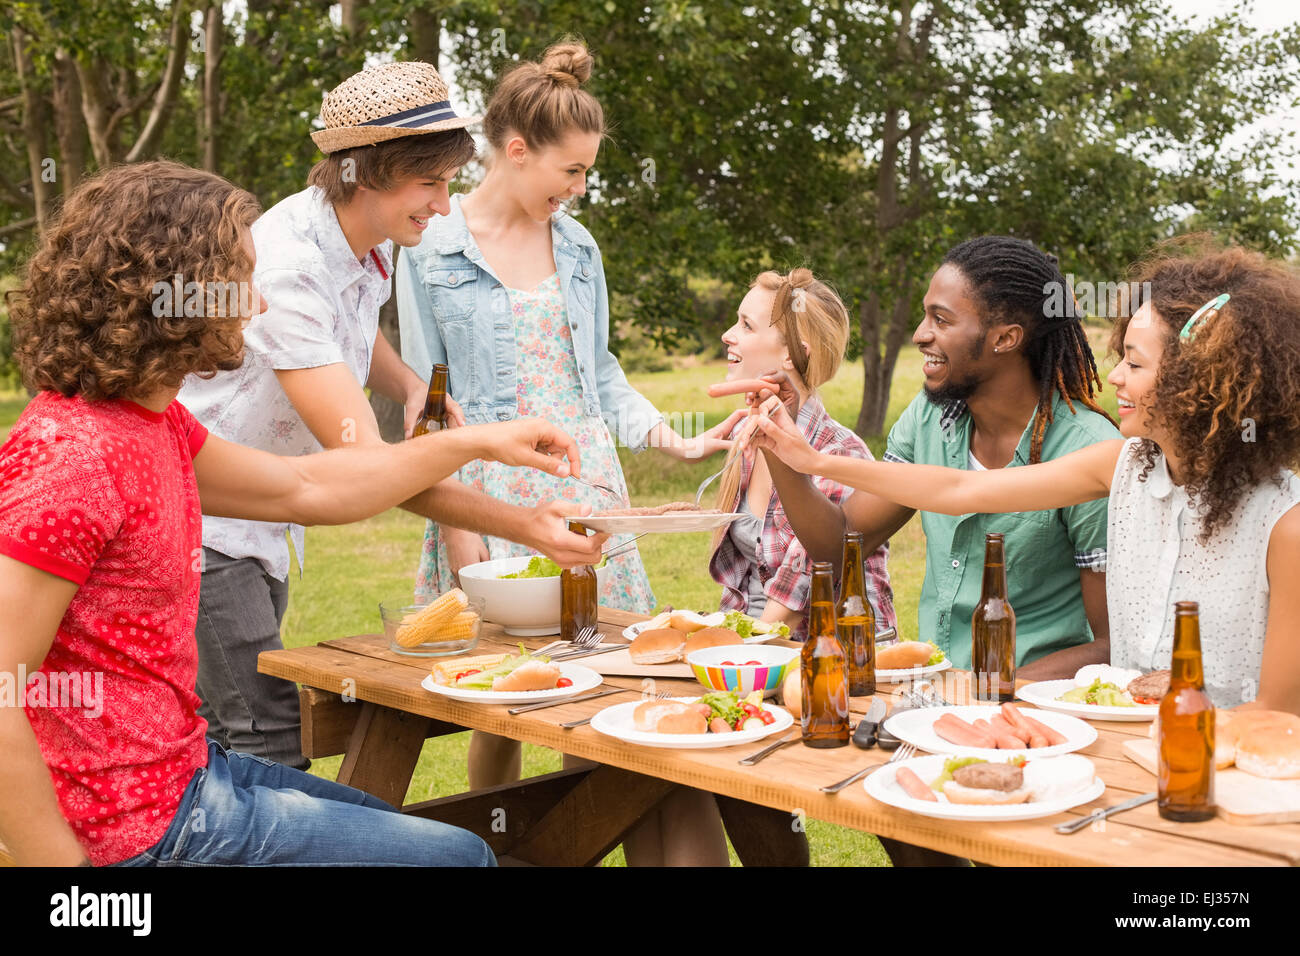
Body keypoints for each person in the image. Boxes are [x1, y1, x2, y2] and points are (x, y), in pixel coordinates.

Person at [0, 160, 585, 865]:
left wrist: (481, 440)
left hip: (183, 778)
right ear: (179, 292)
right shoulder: (74, 455)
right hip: (134, 832)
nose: (260, 303)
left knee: (447, 842)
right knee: (460, 860)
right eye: (244, 279)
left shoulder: (156, 425)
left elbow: (310, 488)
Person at [177, 61, 607, 772]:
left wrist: (406, 382)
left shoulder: (364, 238)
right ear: (365, 173)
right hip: (210, 528)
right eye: (430, 183)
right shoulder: (288, 269)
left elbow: (355, 330)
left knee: (237, 733)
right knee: (268, 737)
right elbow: (369, 472)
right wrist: (517, 510)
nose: (444, 205)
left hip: (263, 522)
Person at [748, 240, 1300, 715]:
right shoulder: (1124, 466)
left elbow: (1276, 715)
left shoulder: (1282, 525)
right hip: (1114, 740)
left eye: (1134, 363)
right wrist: (811, 460)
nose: (1113, 377)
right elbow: (961, 490)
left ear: (1196, 382)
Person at [396, 40, 740, 803]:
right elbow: (426, 401)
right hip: (490, 490)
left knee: (607, 676)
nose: (581, 189)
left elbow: (602, 371)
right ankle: (502, 838)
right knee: (501, 700)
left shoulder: (579, 248)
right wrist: (464, 542)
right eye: (572, 171)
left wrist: (670, 437)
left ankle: (585, 836)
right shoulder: (427, 248)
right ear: (517, 152)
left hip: (586, 489)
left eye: (588, 171)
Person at [749, 237, 1119, 681]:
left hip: (1038, 708)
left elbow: (1112, 644)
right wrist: (778, 440)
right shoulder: (928, 419)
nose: (920, 334)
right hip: (936, 693)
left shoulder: (1088, 449)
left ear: (1004, 338)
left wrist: (990, 694)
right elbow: (841, 543)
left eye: (940, 320)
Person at [709, 267, 896, 638]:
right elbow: (742, 589)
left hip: (837, 656)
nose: (727, 335)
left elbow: (796, 597)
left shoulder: (841, 453)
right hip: (763, 645)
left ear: (794, 355)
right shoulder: (748, 441)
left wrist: (727, 652)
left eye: (746, 325)